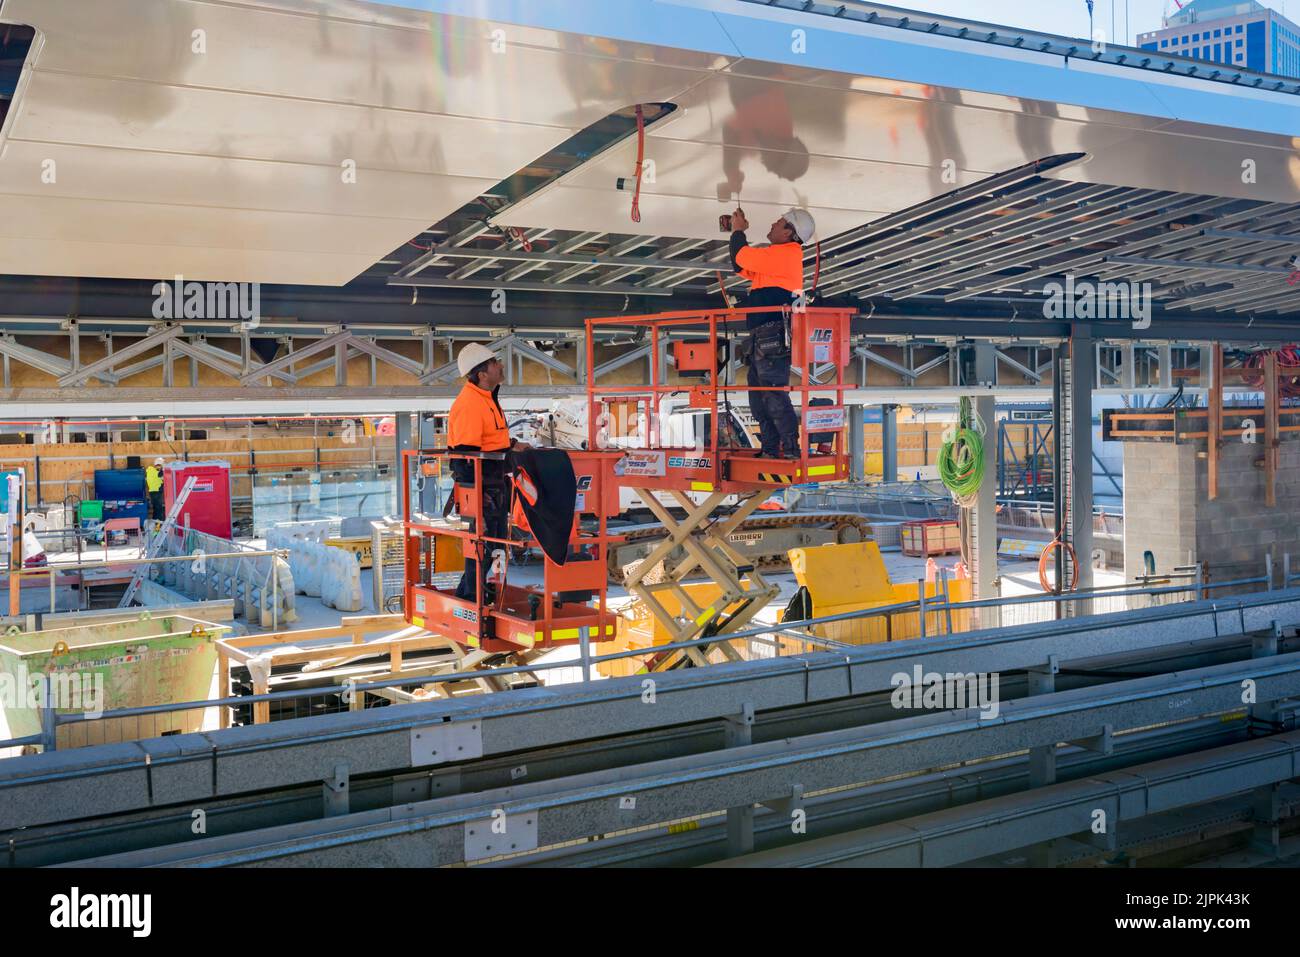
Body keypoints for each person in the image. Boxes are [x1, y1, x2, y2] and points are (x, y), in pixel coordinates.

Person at [727, 206, 816, 459]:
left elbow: (742, 258)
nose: (773, 225)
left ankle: (789, 449)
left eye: (779, 222)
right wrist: (736, 234)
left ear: (789, 232)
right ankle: (770, 448)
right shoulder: (777, 256)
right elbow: (739, 263)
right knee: (759, 398)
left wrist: (738, 230)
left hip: (770, 337)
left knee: (772, 394)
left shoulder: (787, 254)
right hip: (762, 337)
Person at [447, 343, 530, 602]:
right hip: (481, 483)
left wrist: (513, 446)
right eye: (496, 363)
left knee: (491, 542)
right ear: (482, 374)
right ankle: (474, 597)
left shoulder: (486, 399)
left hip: (492, 481)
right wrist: (478, 496)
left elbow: (489, 440)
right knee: (485, 541)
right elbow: (466, 453)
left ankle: (472, 593)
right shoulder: (471, 403)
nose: (501, 366)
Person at [146, 457, 165, 522]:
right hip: (157, 492)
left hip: (151, 492)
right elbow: (162, 477)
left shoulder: (150, 470)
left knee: (155, 508)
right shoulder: (160, 473)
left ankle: (154, 522)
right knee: (159, 509)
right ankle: (159, 523)